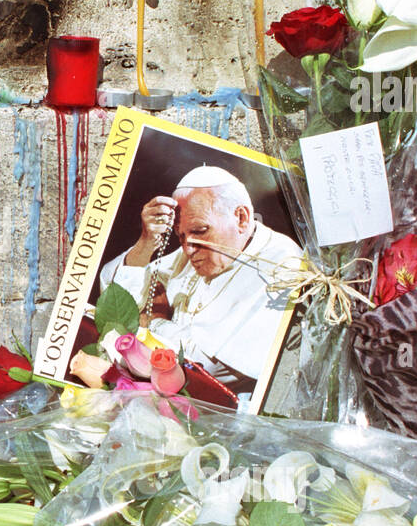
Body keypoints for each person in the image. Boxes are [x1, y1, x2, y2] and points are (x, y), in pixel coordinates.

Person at [97, 166, 303, 394]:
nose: (188, 249)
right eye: (181, 236)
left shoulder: (281, 264)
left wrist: (155, 320)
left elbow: (206, 370)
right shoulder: (198, 247)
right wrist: (147, 243)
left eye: (201, 230)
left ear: (241, 218)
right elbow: (112, 290)